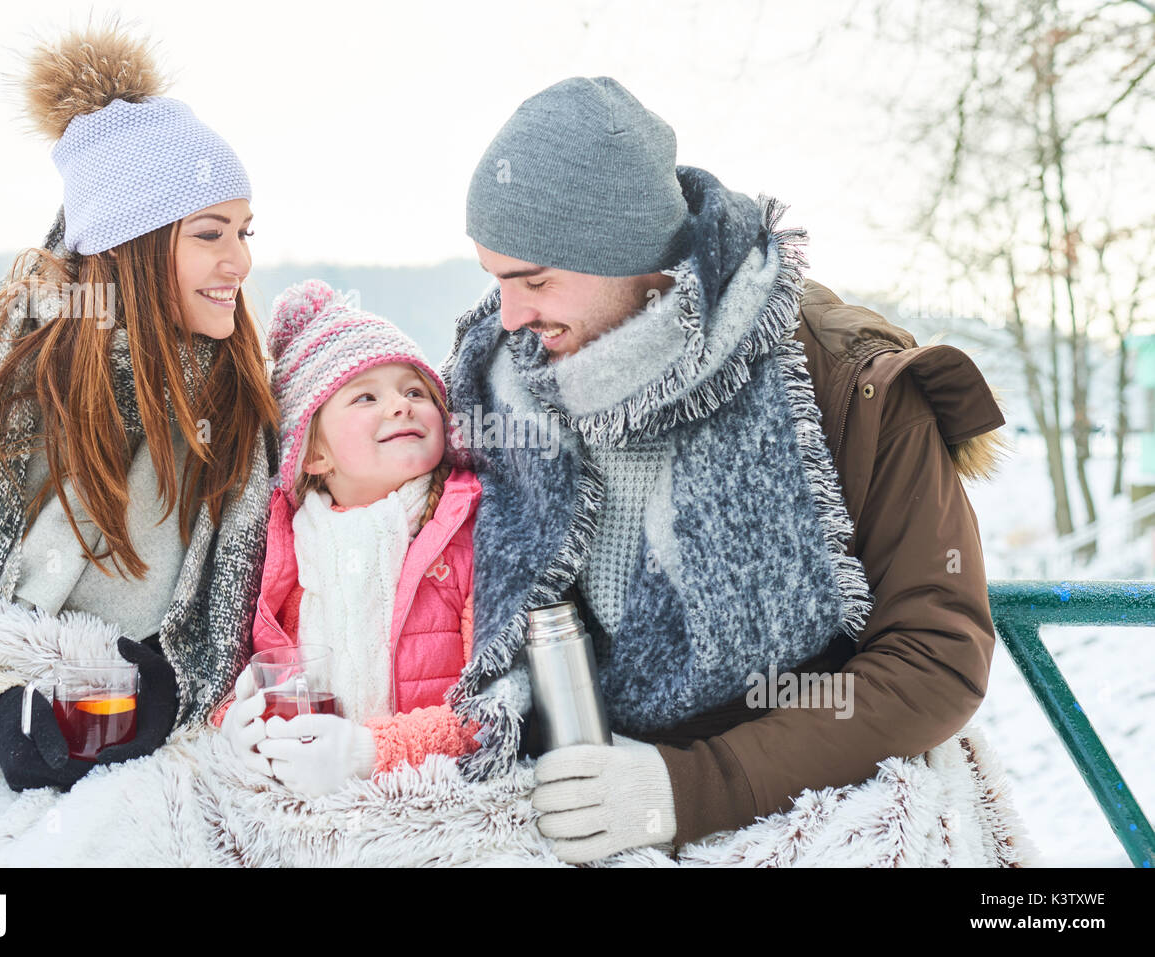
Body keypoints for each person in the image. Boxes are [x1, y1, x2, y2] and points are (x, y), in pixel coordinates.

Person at [441, 77, 1007, 863]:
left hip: (800, 805)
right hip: (570, 809)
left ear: (635, 258)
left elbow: (935, 656)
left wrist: (689, 787)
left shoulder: (840, 378)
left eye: (534, 281)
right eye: (495, 279)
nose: (508, 318)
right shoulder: (503, 385)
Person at [0, 25, 279, 792]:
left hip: (131, 802)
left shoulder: (240, 412)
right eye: (211, 233)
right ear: (131, 245)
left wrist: (172, 689)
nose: (241, 262)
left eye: (245, 232)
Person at [219, 281, 481, 795]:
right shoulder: (289, 550)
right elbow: (263, 674)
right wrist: (237, 723)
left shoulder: (465, 534)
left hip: (432, 797)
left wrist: (366, 753)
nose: (400, 406)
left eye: (415, 391)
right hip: (315, 802)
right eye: (366, 396)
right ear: (313, 455)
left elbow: (493, 709)